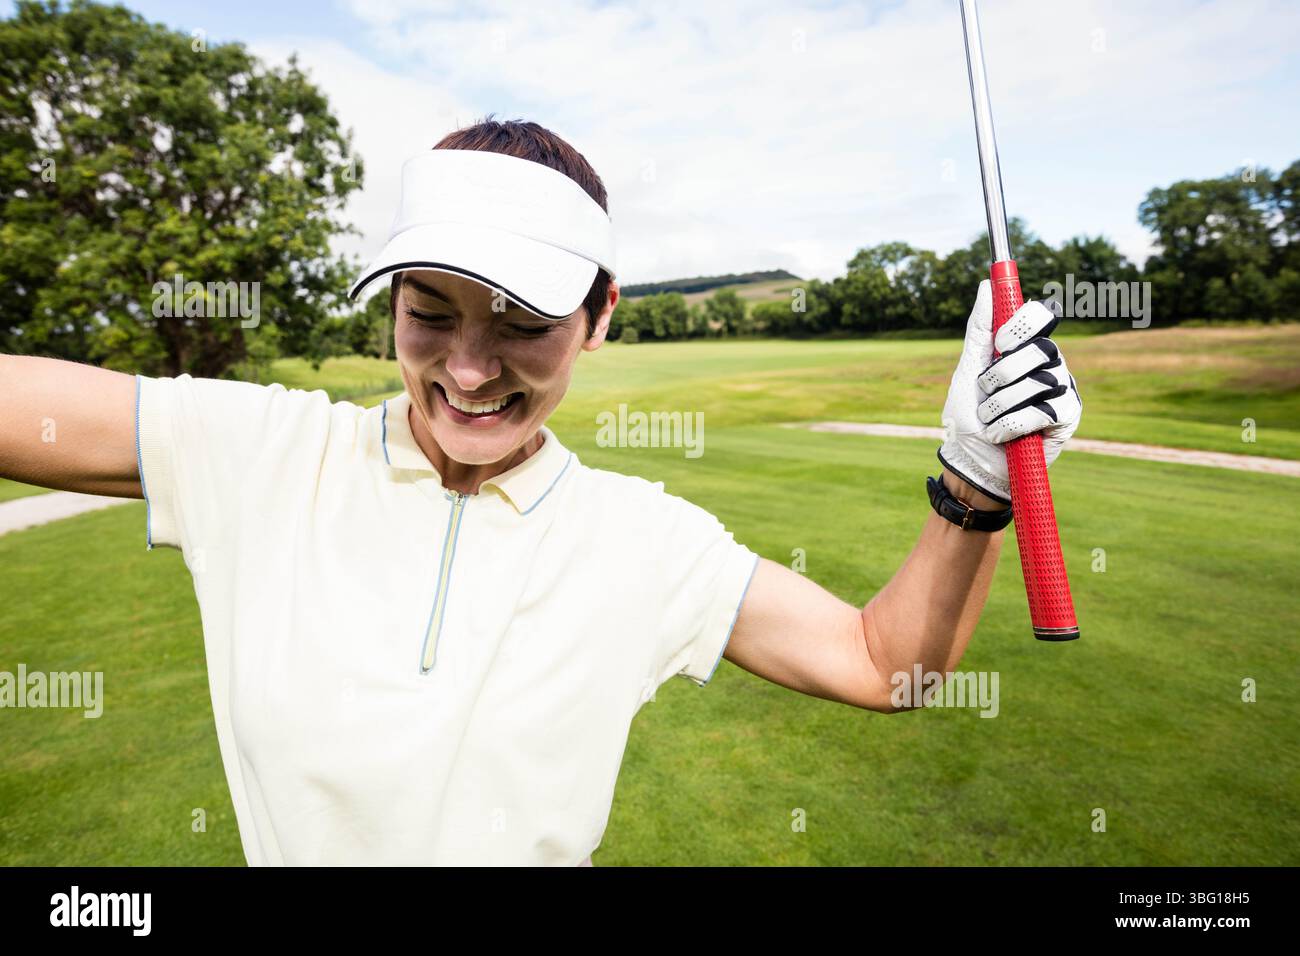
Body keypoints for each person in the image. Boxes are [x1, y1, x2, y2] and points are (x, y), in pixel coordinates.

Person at [0, 117, 1081, 866]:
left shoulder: (647, 540)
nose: (469, 371)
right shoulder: (257, 448)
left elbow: (889, 666)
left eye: (521, 324)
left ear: (600, 314)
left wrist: (974, 480)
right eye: (429, 312)